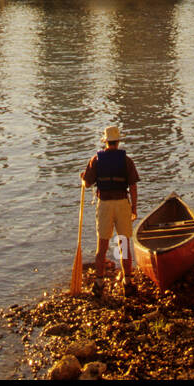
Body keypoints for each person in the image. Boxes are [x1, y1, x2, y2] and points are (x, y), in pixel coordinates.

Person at [81, 125, 139, 299]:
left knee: (102, 246)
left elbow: (88, 184)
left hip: (105, 204)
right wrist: (134, 207)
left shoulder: (96, 160)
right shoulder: (126, 160)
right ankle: (127, 281)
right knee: (123, 243)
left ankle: (99, 283)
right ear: (118, 141)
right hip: (122, 203)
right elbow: (133, 186)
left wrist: (83, 178)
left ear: (106, 142)